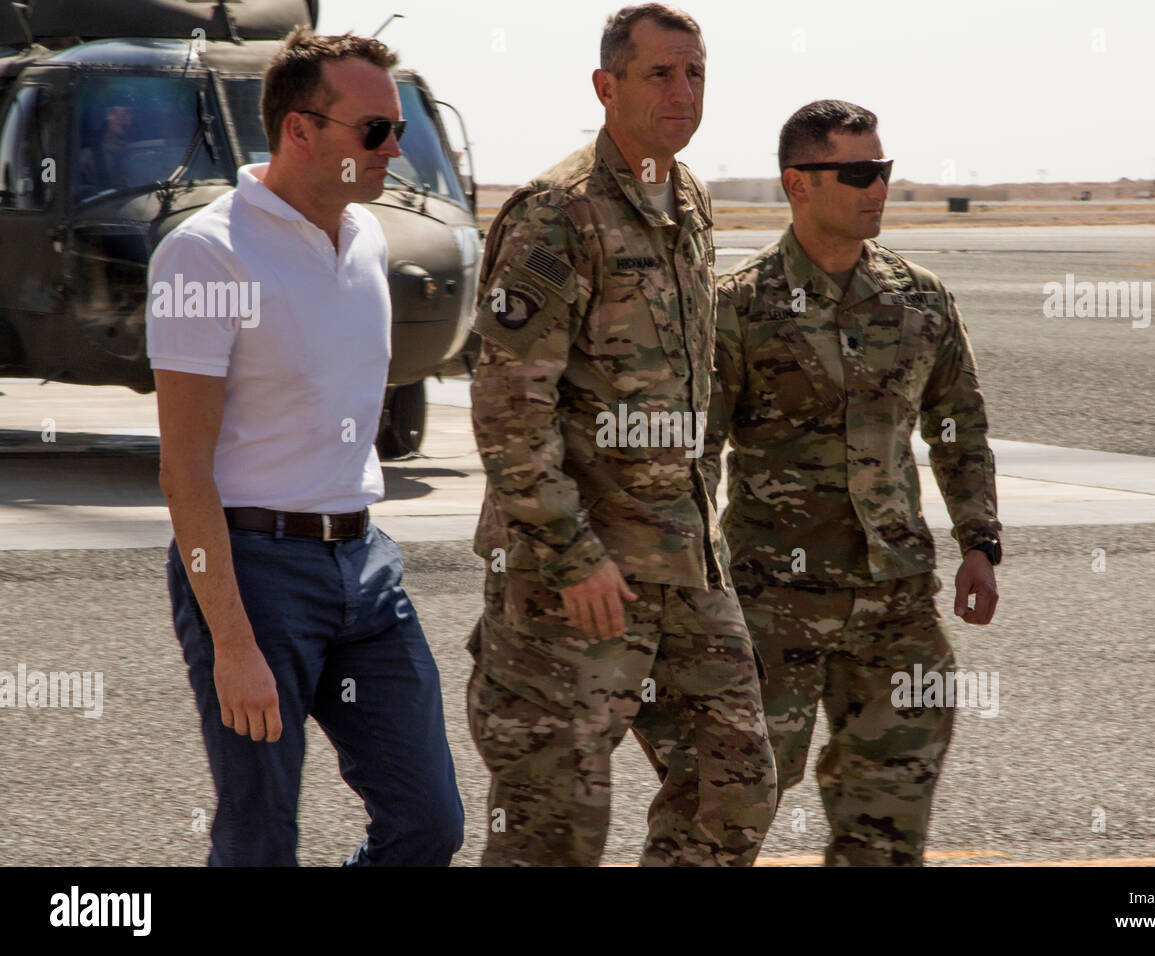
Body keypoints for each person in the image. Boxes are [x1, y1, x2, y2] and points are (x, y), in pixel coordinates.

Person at [467, 3, 777, 866]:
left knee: (737, 778)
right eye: (660, 74)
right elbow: (506, 408)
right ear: (606, 87)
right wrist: (571, 556)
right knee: (554, 825)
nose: (683, 91)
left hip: (682, 562)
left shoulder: (690, 199)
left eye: (696, 73)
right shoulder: (555, 214)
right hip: (577, 577)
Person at [147, 27, 463, 866]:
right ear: (299, 129)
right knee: (258, 842)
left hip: (364, 564)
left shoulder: (366, 241)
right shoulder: (206, 253)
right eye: (375, 130)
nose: (394, 149)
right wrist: (234, 641)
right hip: (253, 571)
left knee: (429, 825)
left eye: (399, 130)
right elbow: (182, 469)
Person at [703, 99, 1002, 866]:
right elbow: (694, 457)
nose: (879, 188)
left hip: (896, 602)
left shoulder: (919, 298)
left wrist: (980, 543)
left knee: (889, 824)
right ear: (797, 184)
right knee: (724, 818)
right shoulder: (738, 307)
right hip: (774, 607)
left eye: (885, 171)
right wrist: (691, 592)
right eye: (859, 172)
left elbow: (957, 427)